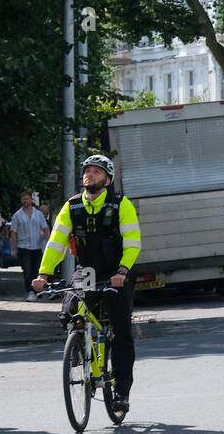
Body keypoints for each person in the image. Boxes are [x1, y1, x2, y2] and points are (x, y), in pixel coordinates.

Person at [33, 154, 142, 414]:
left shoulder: (120, 204)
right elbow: (56, 242)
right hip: (87, 271)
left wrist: (123, 271)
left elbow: (133, 242)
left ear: (107, 179)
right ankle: (79, 345)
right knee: (71, 307)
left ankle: (122, 392)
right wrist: (44, 274)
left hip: (117, 272)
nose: (89, 175)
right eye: (87, 171)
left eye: (96, 171)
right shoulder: (71, 207)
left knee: (122, 331)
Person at [9, 191, 50, 300]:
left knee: (37, 270)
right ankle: (30, 292)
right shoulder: (17, 215)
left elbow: (45, 229)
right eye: (24, 199)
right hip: (23, 247)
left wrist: (49, 244)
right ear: (21, 200)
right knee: (27, 271)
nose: (26, 201)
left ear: (31, 200)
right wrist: (13, 249)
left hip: (37, 246)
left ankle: (37, 291)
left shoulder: (39, 214)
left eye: (28, 199)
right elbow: (13, 233)